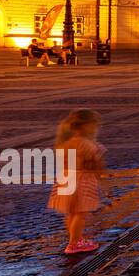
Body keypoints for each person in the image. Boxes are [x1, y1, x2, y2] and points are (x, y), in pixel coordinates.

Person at [48, 109, 106, 255]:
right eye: (95, 125)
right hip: (82, 180)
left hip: (66, 177)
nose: (96, 128)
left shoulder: (66, 143)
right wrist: (98, 158)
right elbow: (93, 165)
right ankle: (74, 244)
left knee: (72, 213)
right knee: (80, 213)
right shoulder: (86, 144)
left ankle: (76, 238)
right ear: (86, 126)